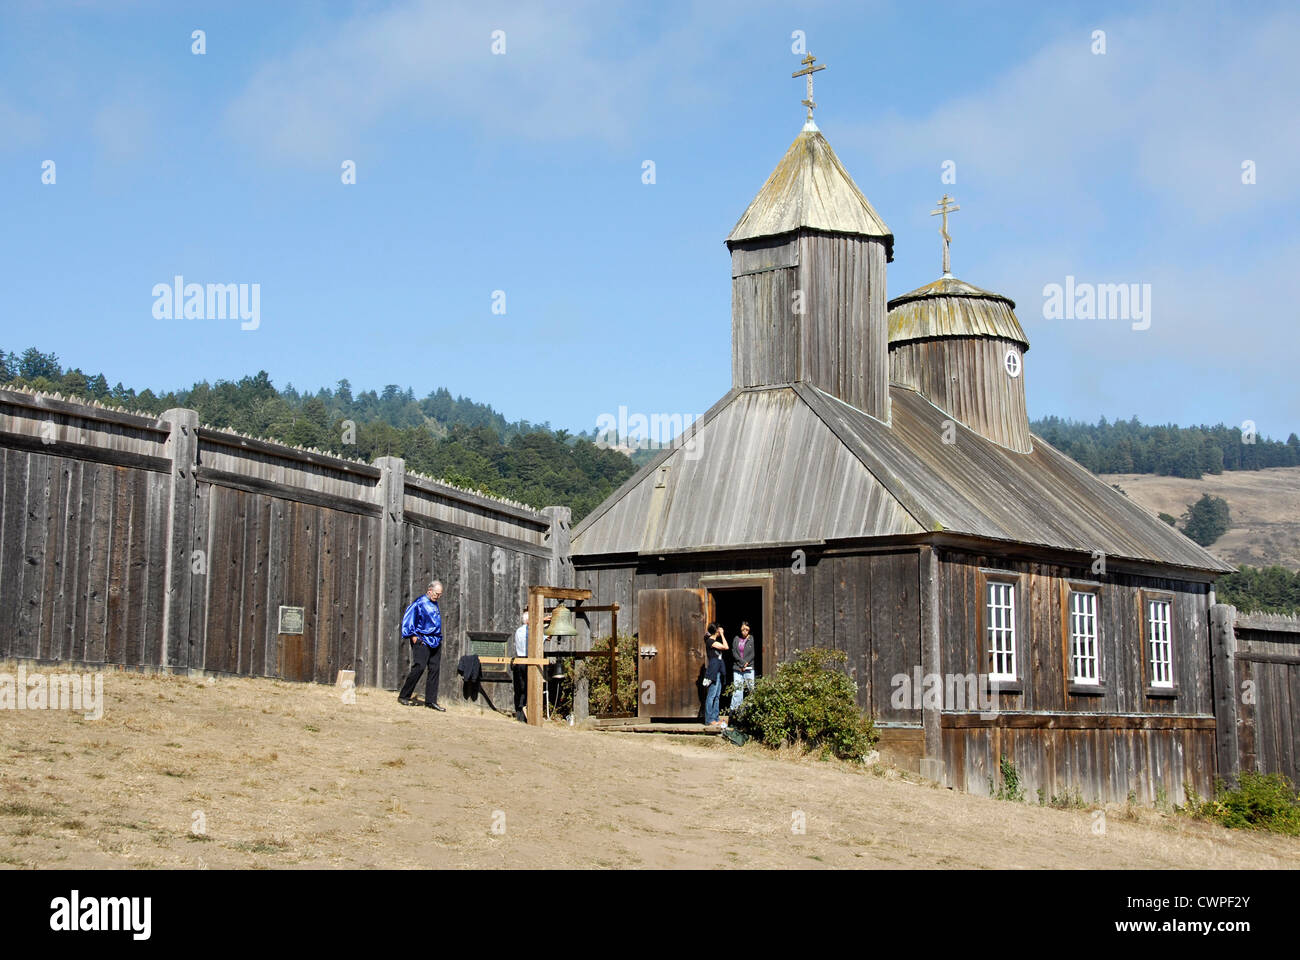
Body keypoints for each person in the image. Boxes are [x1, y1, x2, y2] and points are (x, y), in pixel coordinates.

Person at [399, 581, 445, 711]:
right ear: (429, 590)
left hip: (435, 640)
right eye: (437, 594)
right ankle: (404, 695)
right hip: (422, 640)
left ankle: (431, 701)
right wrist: (413, 636)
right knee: (419, 667)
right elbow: (408, 618)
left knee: (434, 670)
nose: (438, 596)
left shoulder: (434, 604)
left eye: (440, 594)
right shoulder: (420, 602)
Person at [729, 621, 758, 715]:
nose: (744, 631)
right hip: (738, 668)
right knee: (737, 691)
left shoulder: (752, 639)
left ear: (749, 630)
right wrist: (742, 663)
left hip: (749, 668)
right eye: (743, 629)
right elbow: (734, 652)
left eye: (746, 629)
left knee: (751, 689)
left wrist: (746, 663)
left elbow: (753, 653)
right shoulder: (736, 639)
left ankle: (751, 713)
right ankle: (735, 713)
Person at [702, 621, 728, 727]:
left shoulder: (713, 640)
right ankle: (709, 719)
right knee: (711, 695)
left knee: (717, 696)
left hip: (718, 670)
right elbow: (726, 647)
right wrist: (722, 634)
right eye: (719, 628)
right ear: (716, 630)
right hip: (713, 671)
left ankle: (715, 717)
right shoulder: (710, 641)